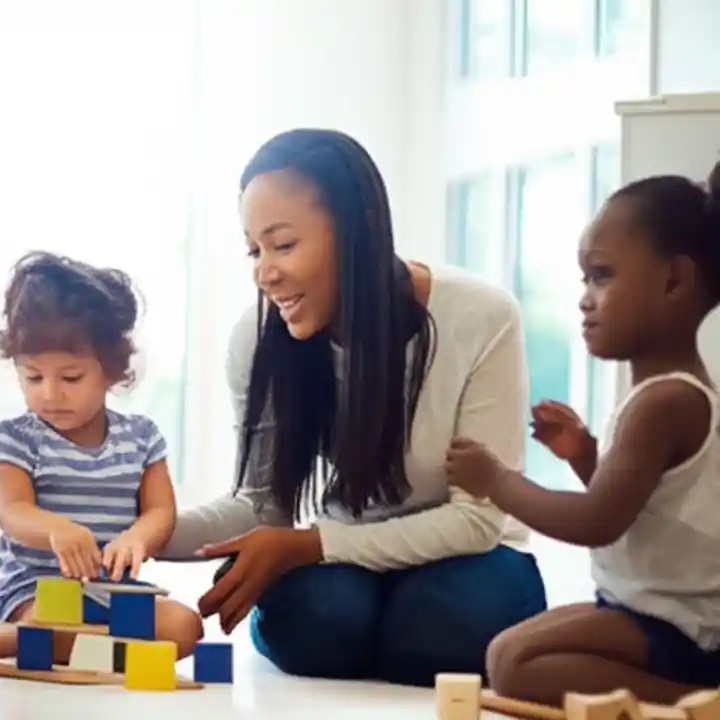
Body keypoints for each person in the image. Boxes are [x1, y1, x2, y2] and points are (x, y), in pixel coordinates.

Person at [159, 128, 547, 686]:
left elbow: (476, 519)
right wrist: (144, 532)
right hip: (341, 561)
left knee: (447, 619)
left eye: (283, 244)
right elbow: (261, 504)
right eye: (254, 249)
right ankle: (380, 634)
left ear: (361, 221)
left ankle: (389, 633)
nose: (264, 272)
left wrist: (315, 542)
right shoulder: (258, 338)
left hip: (467, 556)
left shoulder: (482, 316)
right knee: (317, 619)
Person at [446, 163, 720, 706]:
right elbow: (640, 506)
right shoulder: (664, 396)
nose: (585, 298)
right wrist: (586, 455)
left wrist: (495, 480)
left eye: (603, 275)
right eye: (585, 280)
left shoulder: (665, 402)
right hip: (648, 611)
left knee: (512, 661)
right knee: (509, 650)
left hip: (679, 627)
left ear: (673, 280)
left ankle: (695, 697)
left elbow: (597, 520)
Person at [0, 251, 203, 662]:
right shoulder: (14, 439)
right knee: (47, 619)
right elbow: (12, 510)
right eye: (32, 376)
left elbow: (160, 512)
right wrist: (55, 529)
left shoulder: (141, 439)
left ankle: (40, 644)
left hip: (114, 593)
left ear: (113, 370)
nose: (49, 393)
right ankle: (29, 639)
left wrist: (138, 537)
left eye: (70, 377)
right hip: (38, 591)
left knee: (185, 626)